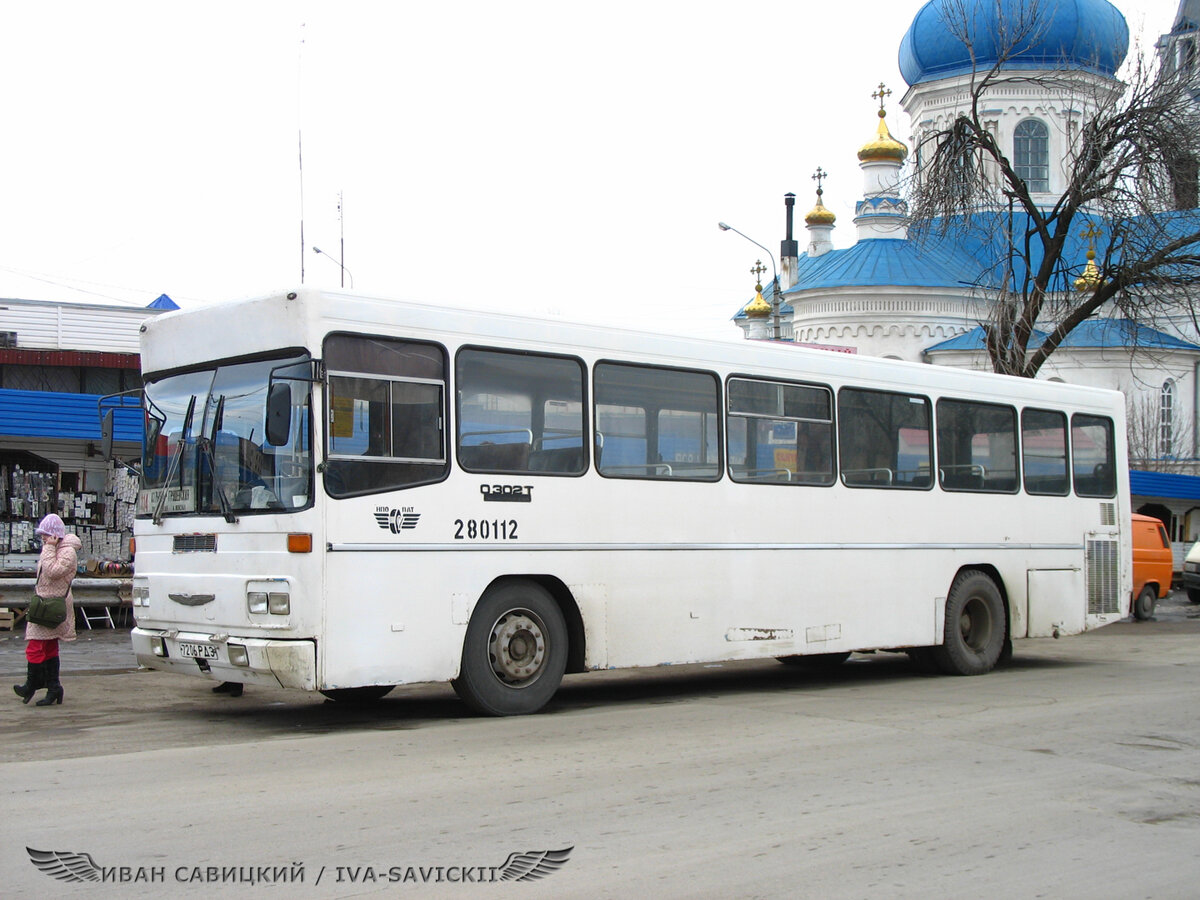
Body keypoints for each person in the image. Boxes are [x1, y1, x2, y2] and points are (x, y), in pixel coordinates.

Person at [13, 514, 82, 706]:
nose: (42, 538)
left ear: (54, 535)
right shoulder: (54, 548)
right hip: (45, 606)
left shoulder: (67, 552)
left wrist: (49, 548)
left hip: (53, 607)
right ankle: (54, 687)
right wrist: (49, 547)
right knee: (49, 646)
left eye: (45, 534)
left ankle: (32, 683)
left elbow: (52, 572)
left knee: (35, 644)